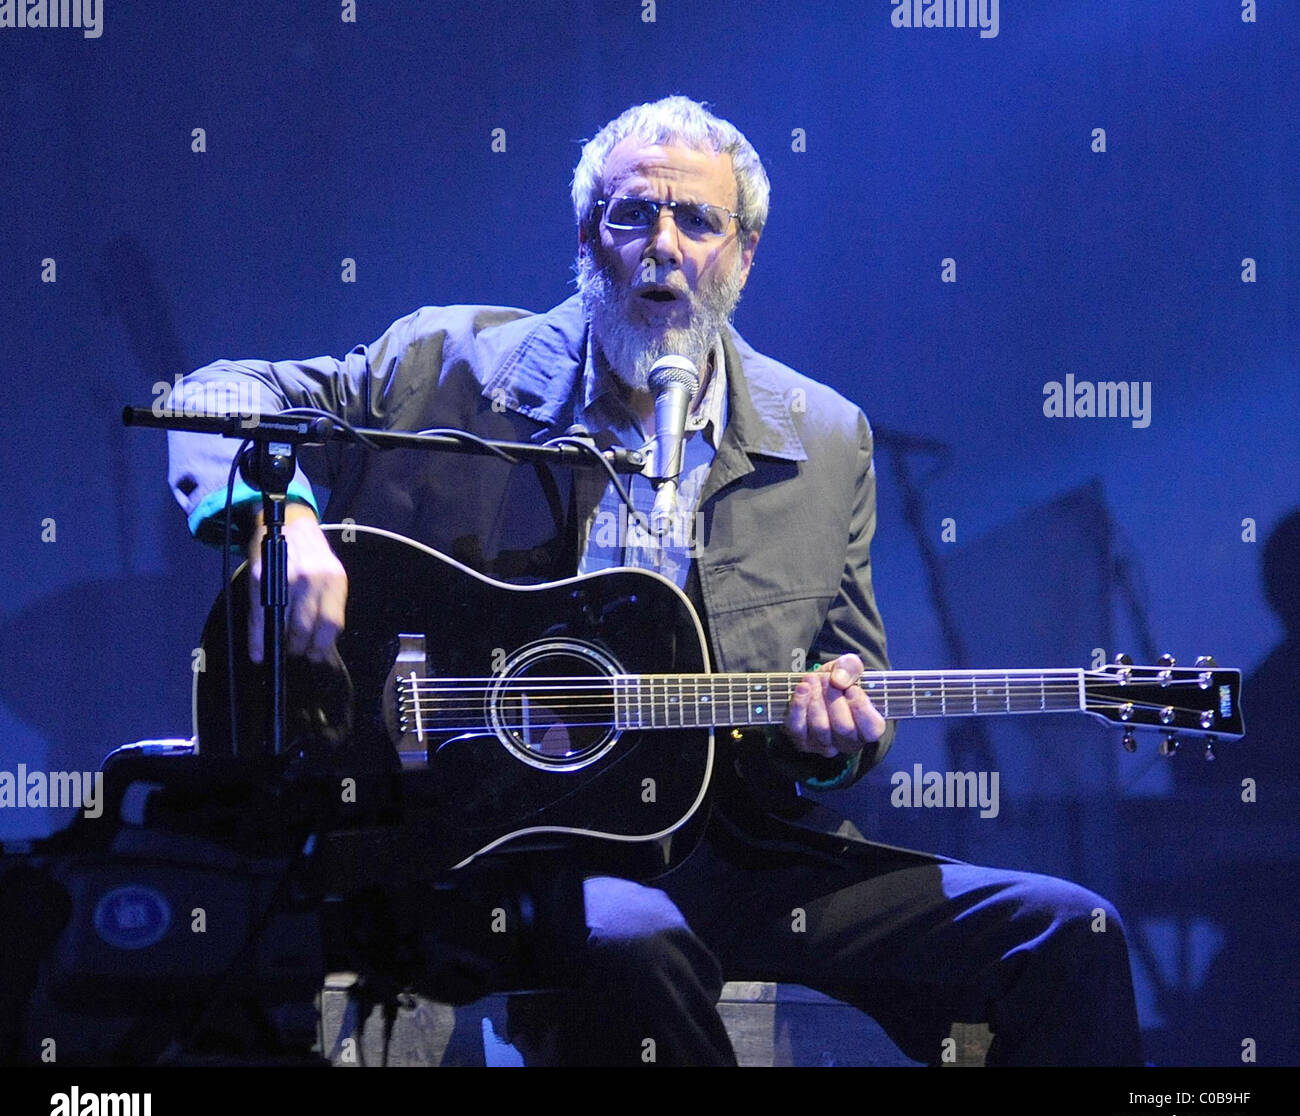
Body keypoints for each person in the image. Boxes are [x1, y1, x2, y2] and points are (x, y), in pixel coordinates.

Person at [166, 95, 1142, 1066]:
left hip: (730, 847)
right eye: (632, 214)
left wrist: (830, 745)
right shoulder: (449, 362)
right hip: (488, 841)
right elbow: (208, 397)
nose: (661, 245)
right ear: (588, 237)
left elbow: (854, 690)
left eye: (697, 221)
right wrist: (280, 520)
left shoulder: (826, 438)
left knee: (1064, 931)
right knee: (633, 943)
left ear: (744, 254)